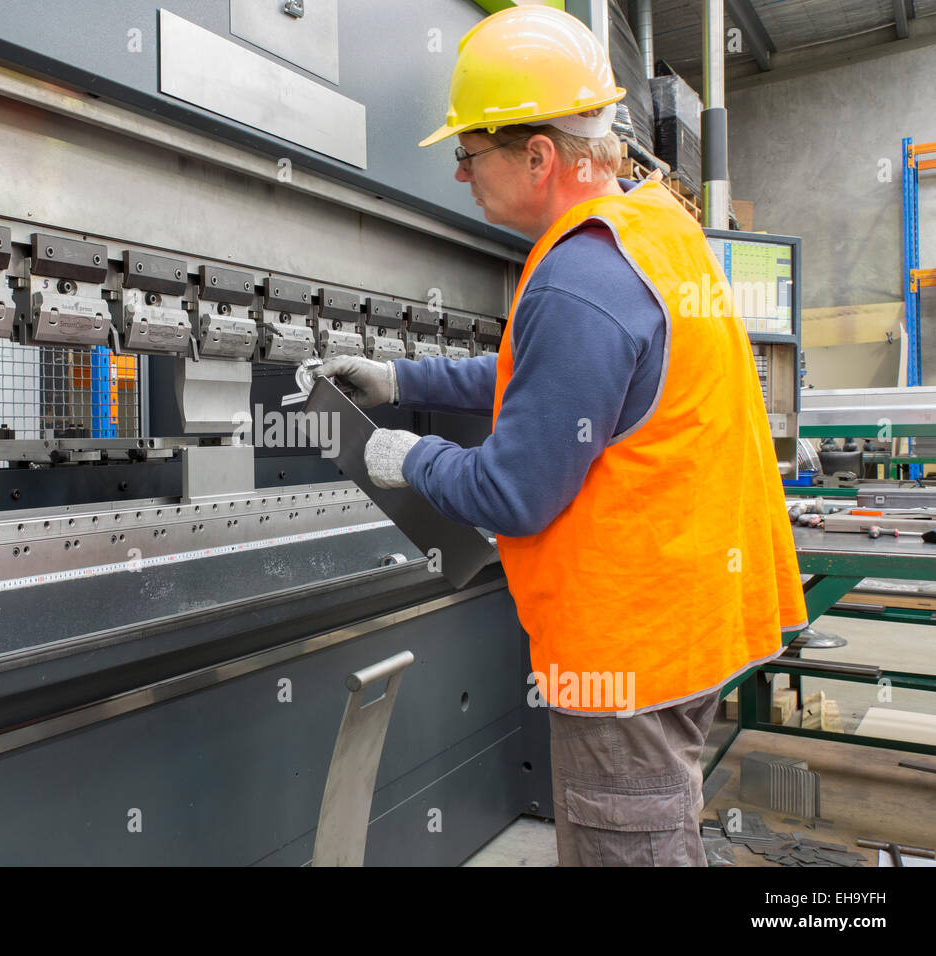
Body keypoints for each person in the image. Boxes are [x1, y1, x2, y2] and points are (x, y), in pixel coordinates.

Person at [314, 5, 807, 866]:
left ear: (539, 155)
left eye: (470, 155)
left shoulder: (580, 277)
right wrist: (400, 380)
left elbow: (514, 493)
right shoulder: (655, 234)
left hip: (630, 656)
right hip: (689, 626)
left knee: (632, 846)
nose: (462, 176)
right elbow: (550, 384)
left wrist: (406, 456)